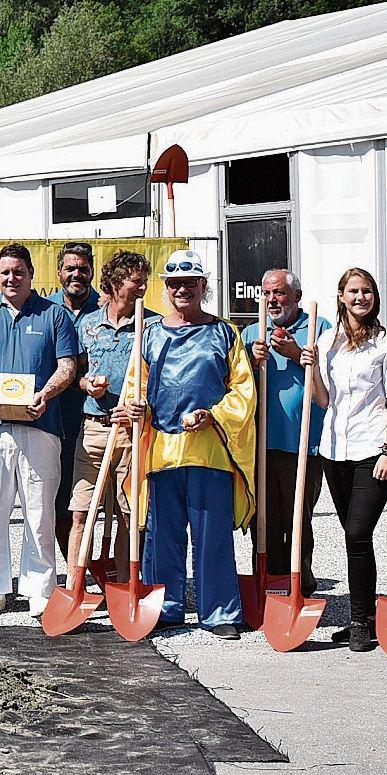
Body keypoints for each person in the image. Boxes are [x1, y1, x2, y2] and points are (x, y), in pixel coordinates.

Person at [121, 249, 256, 638]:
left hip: (209, 450)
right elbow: (136, 386)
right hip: (162, 451)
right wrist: (135, 407)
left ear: (202, 286)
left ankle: (220, 611)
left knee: (212, 536)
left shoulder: (225, 334)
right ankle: (166, 606)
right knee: (162, 536)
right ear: (166, 288)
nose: (182, 290)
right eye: (175, 284)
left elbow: (243, 391)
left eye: (190, 283)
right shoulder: (149, 334)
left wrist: (212, 415)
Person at [0, 243, 82, 617]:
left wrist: (46, 393)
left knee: (40, 511)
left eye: (18, 271)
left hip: (41, 425)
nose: (11, 278)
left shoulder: (54, 315)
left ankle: (40, 589)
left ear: (31, 274)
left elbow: (67, 366)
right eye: (5, 272)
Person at [303, 267, 387, 653]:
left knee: (357, 533)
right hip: (335, 450)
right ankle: (364, 617)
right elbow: (323, 400)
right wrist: (311, 368)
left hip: (373, 449)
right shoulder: (328, 341)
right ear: (341, 296)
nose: (361, 297)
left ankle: (361, 620)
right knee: (354, 537)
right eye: (354, 291)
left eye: (367, 291)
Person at [66, 250, 154, 585]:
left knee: (130, 515)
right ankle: (73, 586)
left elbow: (160, 381)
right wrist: (86, 385)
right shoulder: (88, 325)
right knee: (81, 512)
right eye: (136, 282)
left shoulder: (152, 326)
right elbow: (75, 373)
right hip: (93, 430)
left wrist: (141, 405)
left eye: (144, 282)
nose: (142, 288)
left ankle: (125, 588)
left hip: (133, 434)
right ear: (116, 283)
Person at [245, 269, 330, 593]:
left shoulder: (319, 329)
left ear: (296, 296)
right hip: (262, 444)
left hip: (303, 444)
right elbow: (234, 384)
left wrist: (296, 355)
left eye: (279, 293)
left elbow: (328, 385)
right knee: (264, 522)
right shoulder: (253, 332)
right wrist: (251, 363)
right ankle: (269, 585)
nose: (272, 300)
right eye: (266, 293)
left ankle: (299, 584)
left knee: (298, 520)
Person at [45, 241, 101, 562]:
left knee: (100, 501)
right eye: (70, 268)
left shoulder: (106, 308)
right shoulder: (45, 310)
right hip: (57, 420)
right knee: (62, 498)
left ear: (92, 271)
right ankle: (76, 569)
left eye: (83, 268)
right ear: (59, 272)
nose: (76, 274)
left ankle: (109, 569)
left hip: (98, 418)